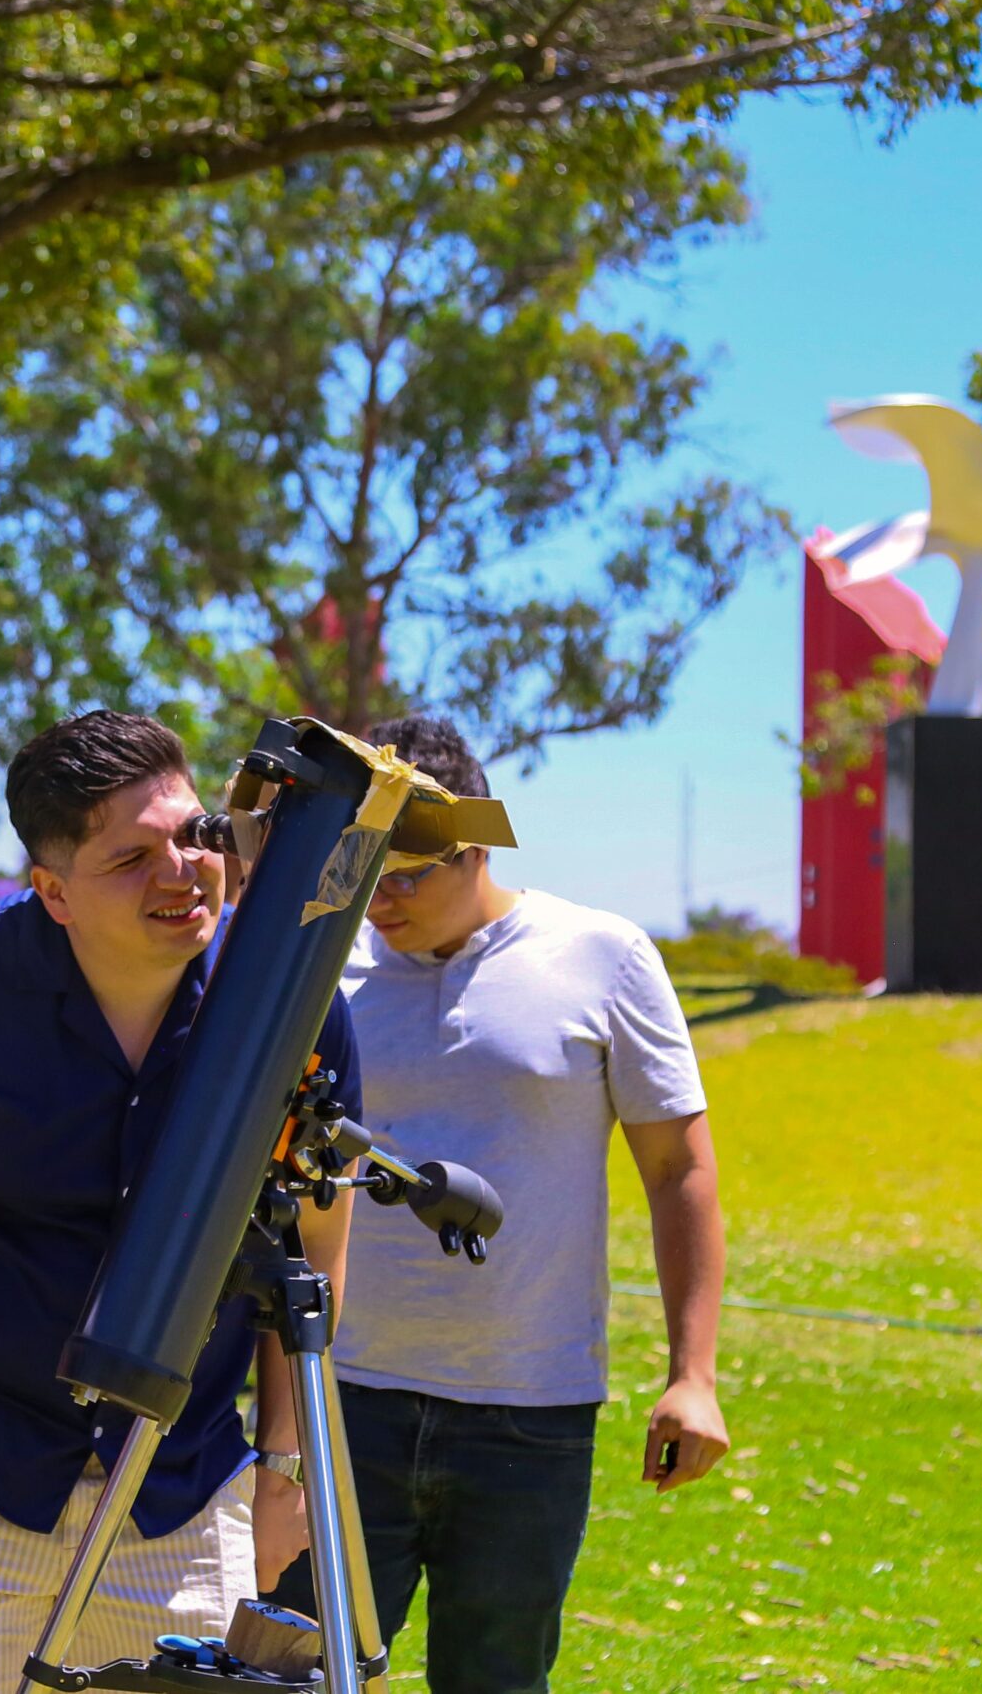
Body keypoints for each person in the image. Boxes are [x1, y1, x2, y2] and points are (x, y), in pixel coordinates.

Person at [0, 710, 361, 1691]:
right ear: (51, 891)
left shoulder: (291, 1004)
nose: (180, 871)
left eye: (191, 835)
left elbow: (314, 1240)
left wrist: (283, 1469)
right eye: (131, 858)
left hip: (179, 1494)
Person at [269, 715, 730, 1694]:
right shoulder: (324, 967)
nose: (383, 900)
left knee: (496, 1681)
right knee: (299, 1677)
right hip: (339, 1398)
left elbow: (678, 1171)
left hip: (530, 1413)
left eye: (409, 876)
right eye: (369, 873)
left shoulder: (601, 955)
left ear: (474, 845)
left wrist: (693, 1374)